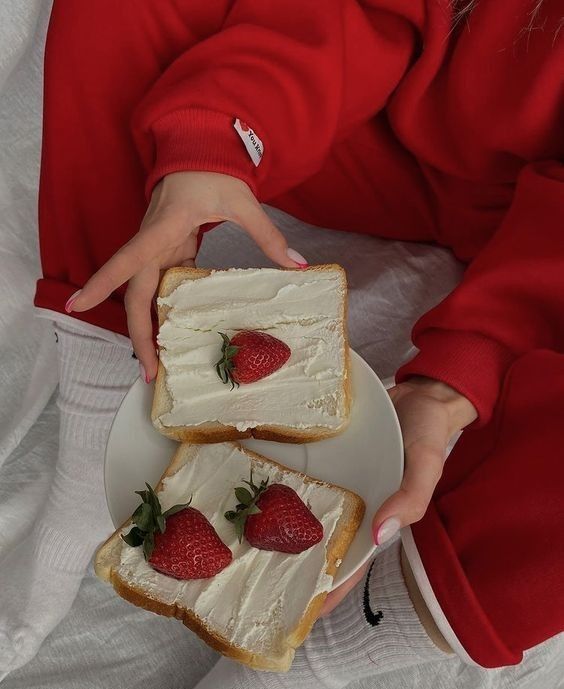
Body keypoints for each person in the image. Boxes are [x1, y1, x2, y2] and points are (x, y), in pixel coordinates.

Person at [0, 0, 562, 684]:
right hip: (371, 128)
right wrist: (217, 139)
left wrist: (455, 383)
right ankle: (96, 441)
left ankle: (316, 657)